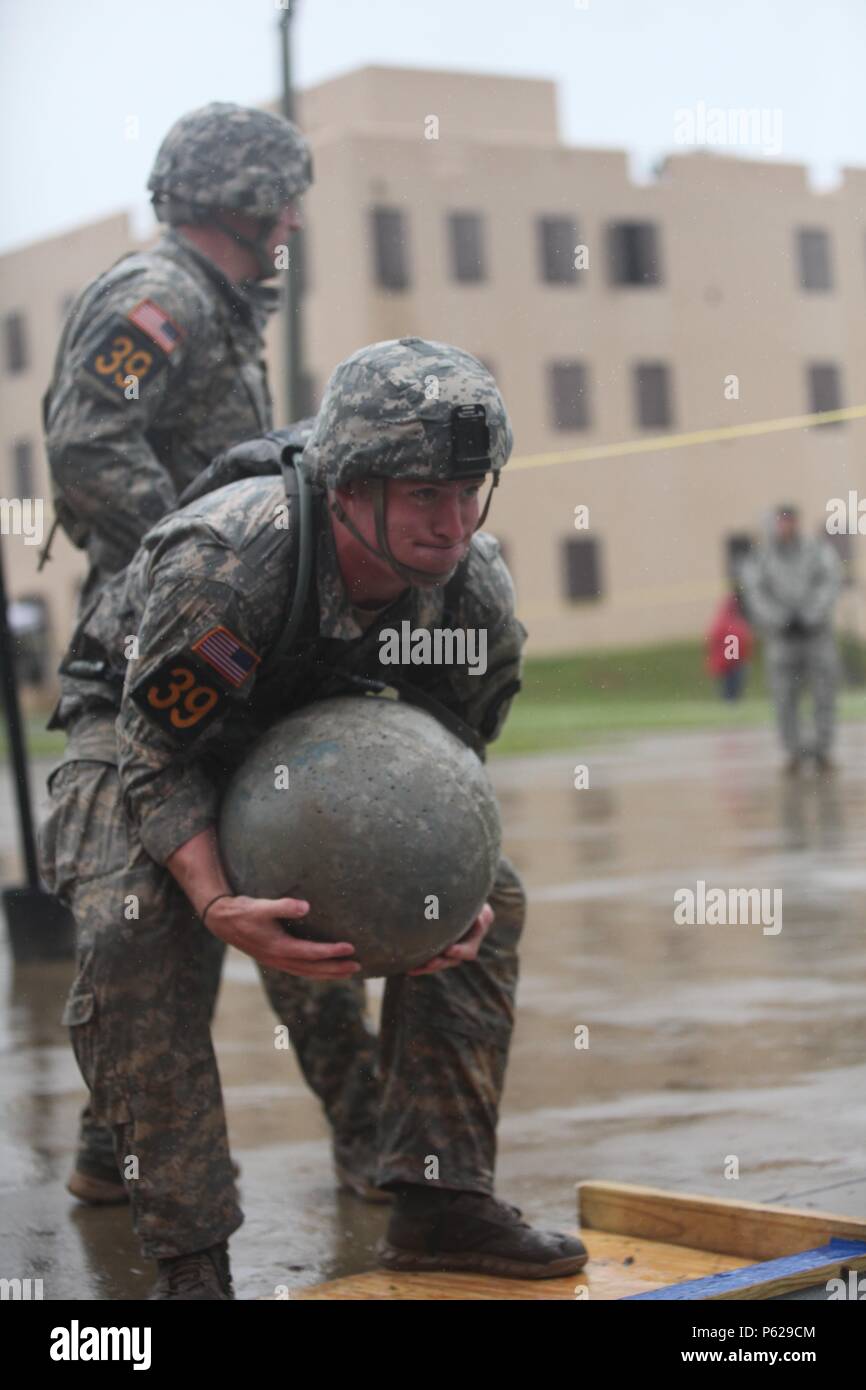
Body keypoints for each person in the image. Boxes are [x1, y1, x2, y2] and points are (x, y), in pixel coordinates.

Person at [38, 337, 589, 1297]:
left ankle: (439, 1200)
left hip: (308, 729)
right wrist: (215, 901)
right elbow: (158, 758)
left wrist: (450, 877)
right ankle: (188, 1254)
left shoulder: (471, 589)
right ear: (347, 486)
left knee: (486, 897)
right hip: (144, 728)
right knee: (136, 927)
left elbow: (456, 749)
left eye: (469, 491)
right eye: (423, 494)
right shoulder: (231, 564)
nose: (452, 522)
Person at [42, 103, 382, 1209]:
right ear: (249, 198)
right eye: (285, 199)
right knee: (162, 934)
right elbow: (90, 443)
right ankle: (144, 1161)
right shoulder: (165, 297)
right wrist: (191, 565)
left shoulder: (223, 312)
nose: (293, 221)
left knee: (295, 903)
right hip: (166, 647)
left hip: (234, 649)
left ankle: (372, 1149)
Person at [741, 504, 842, 773]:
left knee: (824, 693)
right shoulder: (762, 557)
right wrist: (781, 619)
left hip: (815, 636)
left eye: (790, 521)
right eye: (781, 521)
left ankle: (822, 751)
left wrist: (811, 614)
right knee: (785, 697)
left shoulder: (817, 550)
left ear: (797, 522)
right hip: (782, 639)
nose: (786, 526)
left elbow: (831, 581)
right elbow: (755, 593)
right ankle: (793, 752)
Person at [705, 589, 753, 700]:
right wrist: (733, 661)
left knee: (729, 692)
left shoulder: (724, 620)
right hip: (730, 665)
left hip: (727, 663)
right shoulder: (733, 623)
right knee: (731, 693)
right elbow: (734, 643)